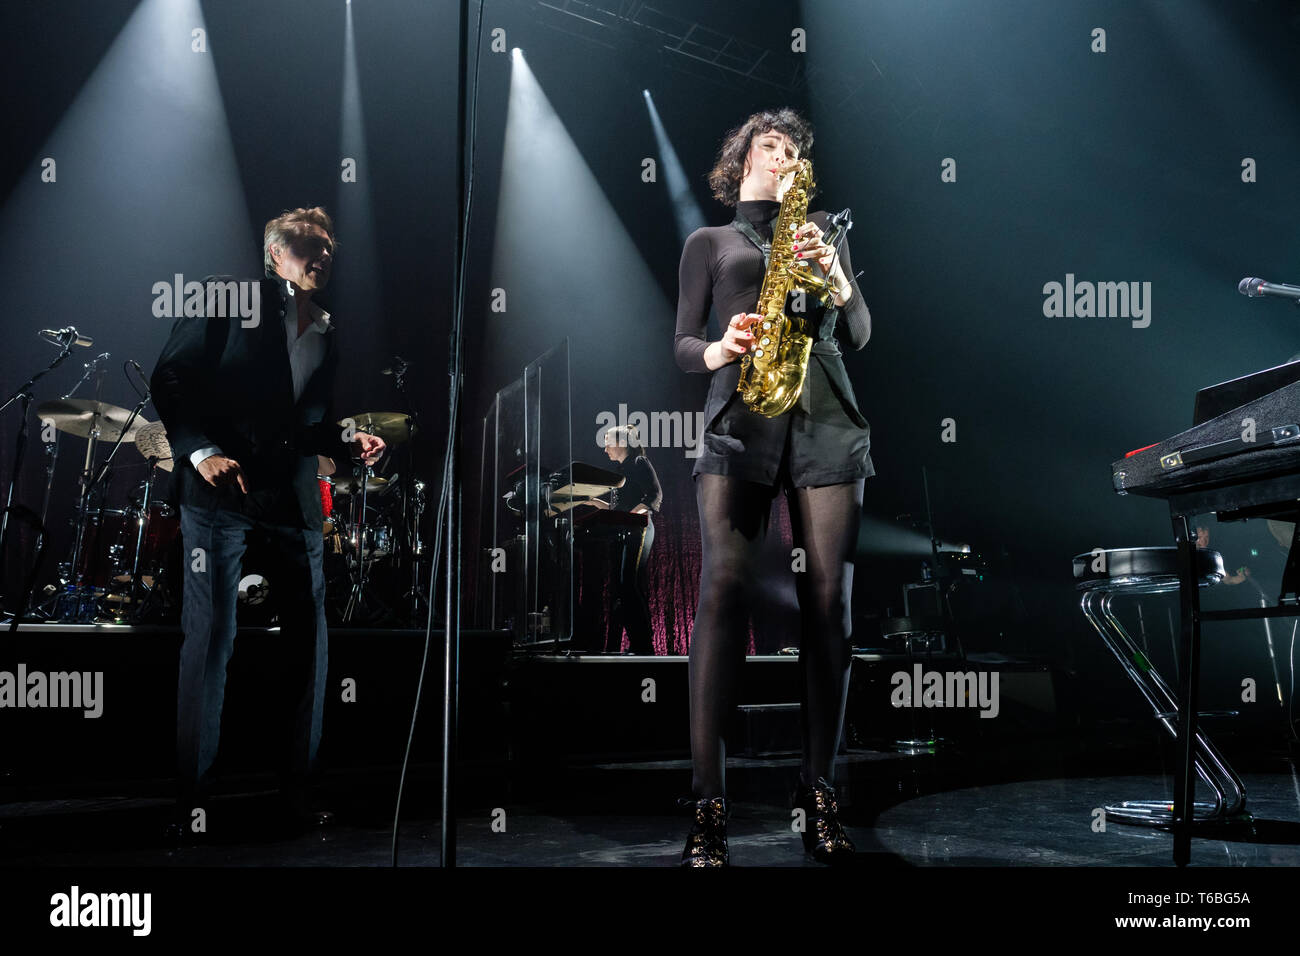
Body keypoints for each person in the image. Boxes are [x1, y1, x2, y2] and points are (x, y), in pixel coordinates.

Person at [673, 109, 872, 866]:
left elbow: (859, 331)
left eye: (795, 150)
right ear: (743, 158)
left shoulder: (822, 234)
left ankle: (819, 792)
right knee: (722, 591)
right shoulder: (710, 242)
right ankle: (709, 807)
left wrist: (837, 275)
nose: (784, 154)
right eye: (771, 144)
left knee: (832, 605)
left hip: (826, 417)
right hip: (740, 414)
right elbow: (683, 343)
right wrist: (722, 344)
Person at [151, 207, 385, 838]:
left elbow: (305, 422)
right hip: (222, 494)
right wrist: (200, 453)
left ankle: (299, 793)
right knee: (212, 637)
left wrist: (346, 438)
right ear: (276, 253)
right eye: (312, 246)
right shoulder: (228, 299)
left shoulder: (327, 330)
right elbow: (171, 376)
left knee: (310, 645)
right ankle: (193, 800)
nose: (324, 257)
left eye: (330, 249)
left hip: (293, 500)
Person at [587, 424, 662, 654]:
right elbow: (618, 507)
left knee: (628, 585)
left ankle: (643, 644)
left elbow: (654, 495)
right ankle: (638, 641)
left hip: (639, 529)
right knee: (623, 587)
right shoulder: (619, 473)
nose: (605, 449)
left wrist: (631, 515)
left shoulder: (639, 463)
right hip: (624, 531)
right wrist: (594, 503)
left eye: (608, 442)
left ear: (621, 443)